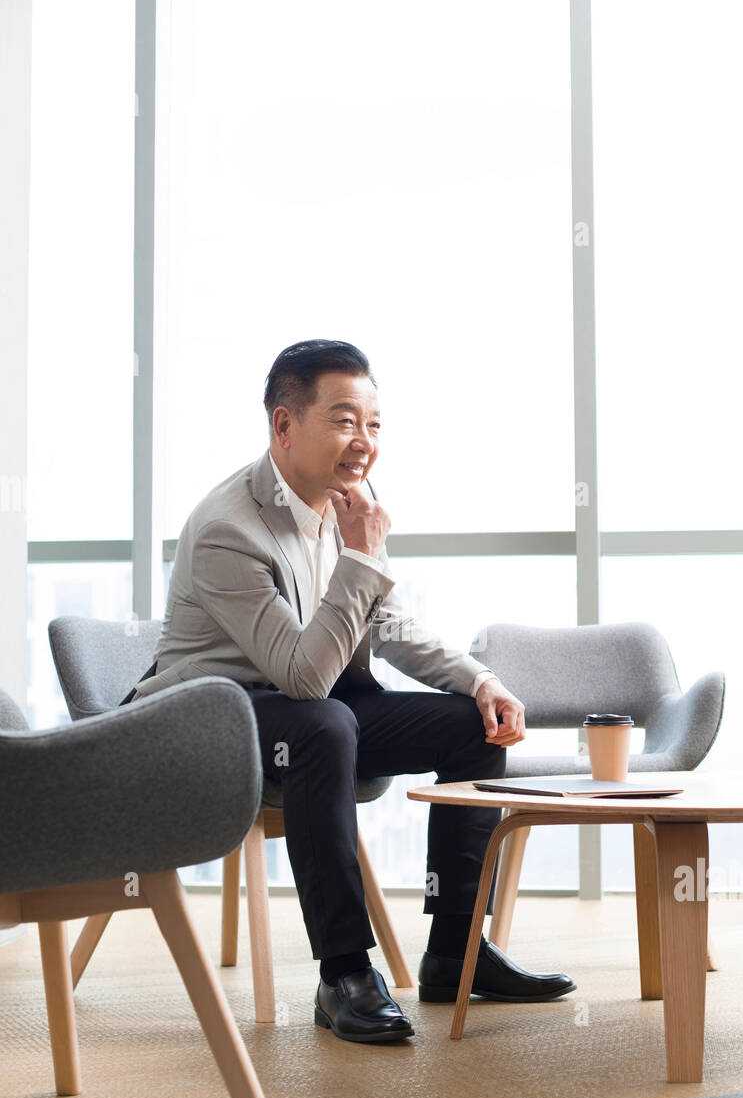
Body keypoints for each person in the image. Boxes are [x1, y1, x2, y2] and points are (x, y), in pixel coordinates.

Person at [130, 339, 575, 1042]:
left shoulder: (346, 507)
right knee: (325, 724)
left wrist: (481, 679)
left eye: (373, 423)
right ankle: (344, 973)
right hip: (210, 719)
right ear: (284, 425)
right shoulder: (227, 529)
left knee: (469, 724)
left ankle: (456, 954)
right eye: (344, 420)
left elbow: (388, 623)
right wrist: (363, 554)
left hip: (311, 705)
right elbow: (301, 678)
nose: (363, 441)